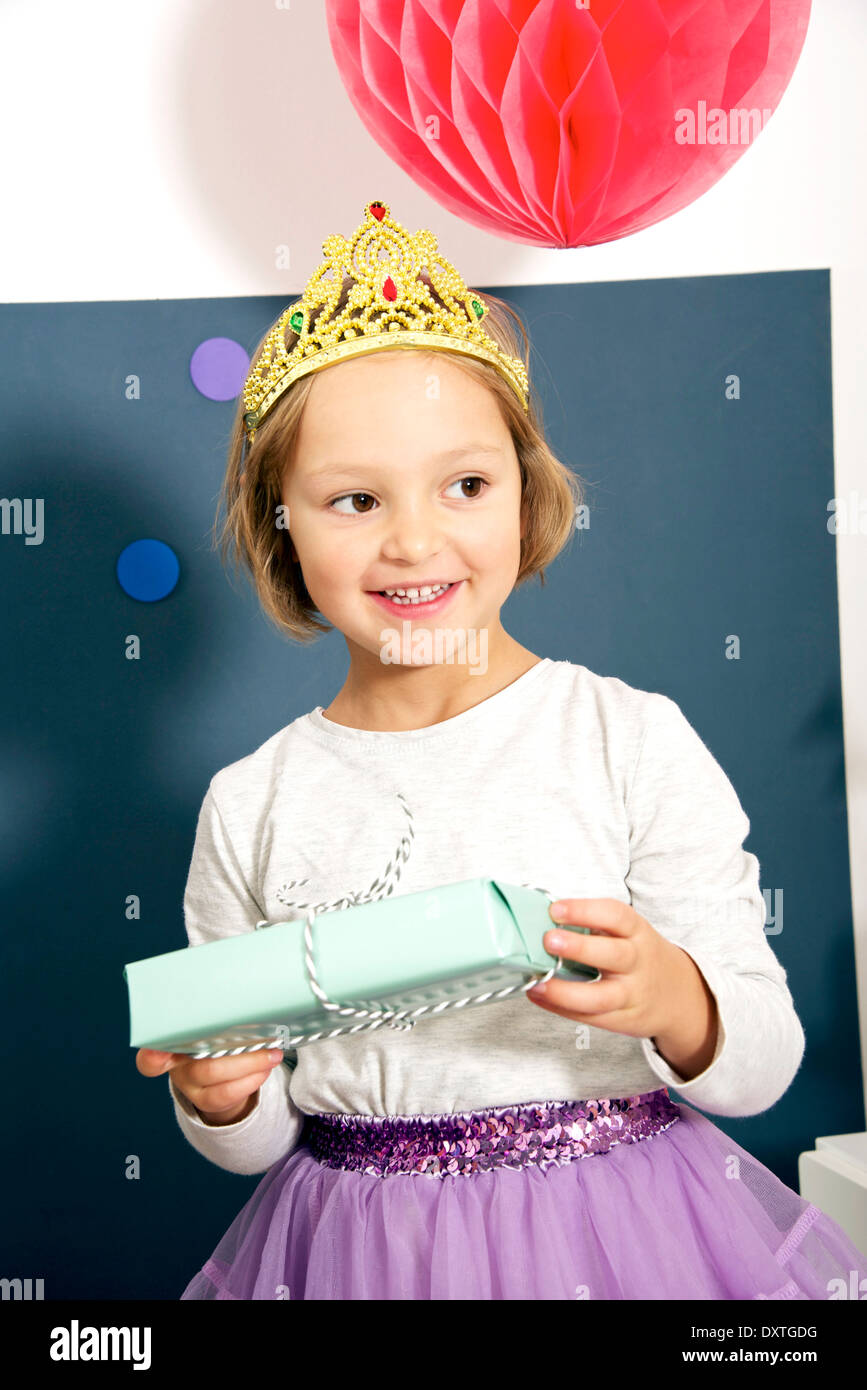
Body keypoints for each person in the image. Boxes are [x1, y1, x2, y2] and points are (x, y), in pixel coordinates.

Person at [136, 199, 867, 1300]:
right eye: (353, 499)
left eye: (465, 484)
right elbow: (253, 1136)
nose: (415, 539)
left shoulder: (628, 740)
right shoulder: (253, 801)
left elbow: (761, 1064)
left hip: (618, 1237)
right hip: (361, 1253)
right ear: (277, 520)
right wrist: (222, 1093)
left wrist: (676, 996)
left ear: (527, 495)